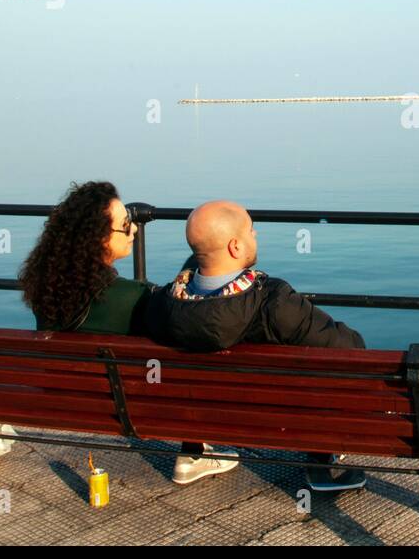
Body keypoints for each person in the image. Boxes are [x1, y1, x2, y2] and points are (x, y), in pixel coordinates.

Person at [18, 181, 237, 485]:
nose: (134, 230)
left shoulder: (48, 291)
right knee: (190, 354)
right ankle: (193, 451)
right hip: (137, 406)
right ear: (97, 238)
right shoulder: (133, 298)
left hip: (68, 399)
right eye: (125, 225)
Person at [144, 200, 368, 491]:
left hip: (199, 415)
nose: (256, 235)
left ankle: (192, 451)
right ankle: (321, 463)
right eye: (251, 230)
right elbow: (349, 351)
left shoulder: (162, 307)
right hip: (286, 421)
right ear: (235, 247)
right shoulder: (273, 302)